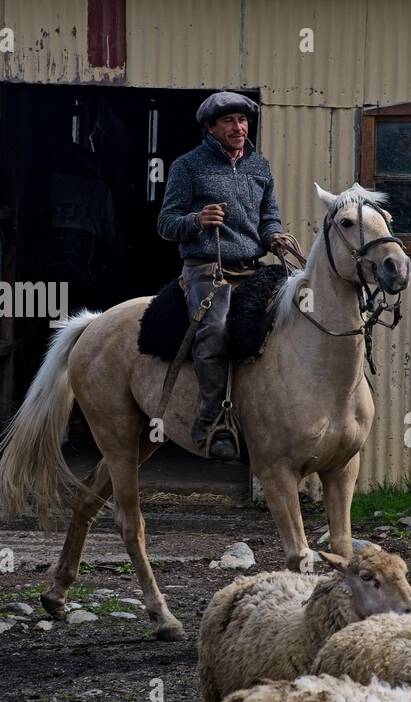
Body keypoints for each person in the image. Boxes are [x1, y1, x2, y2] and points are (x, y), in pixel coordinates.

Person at [157, 91, 301, 459]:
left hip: (252, 268)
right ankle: (214, 422)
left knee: (296, 317)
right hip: (207, 269)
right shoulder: (187, 167)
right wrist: (197, 220)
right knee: (216, 330)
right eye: (229, 122)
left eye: (242, 120)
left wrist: (273, 236)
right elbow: (165, 224)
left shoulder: (260, 167)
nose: (238, 128)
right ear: (210, 127)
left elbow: (269, 216)